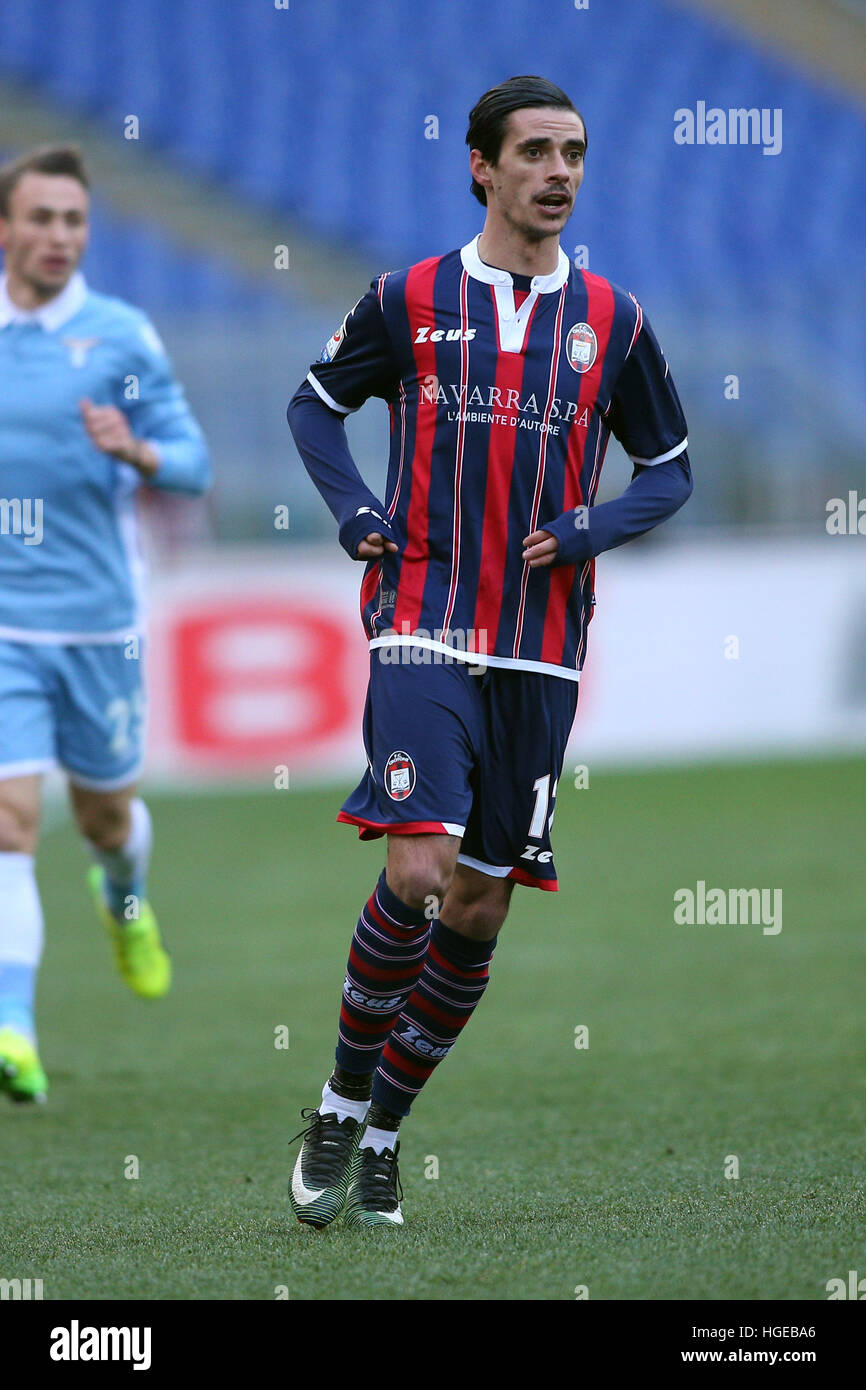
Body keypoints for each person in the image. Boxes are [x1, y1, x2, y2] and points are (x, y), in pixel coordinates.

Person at [287, 75, 692, 1228]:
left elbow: (667, 471)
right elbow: (315, 407)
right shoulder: (409, 296)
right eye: (533, 153)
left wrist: (581, 528)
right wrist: (353, 510)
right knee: (416, 872)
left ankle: (381, 1129)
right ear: (480, 166)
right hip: (420, 615)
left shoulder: (613, 322)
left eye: (571, 152)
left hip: (540, 653)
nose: (557, 172)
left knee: (476, 909)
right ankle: (333, 1096)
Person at [0, 145, 211, 1103]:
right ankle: (15, 1029)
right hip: (6, 628)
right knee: (10, 821)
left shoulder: (121, 337)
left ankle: (124, 899)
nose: (57, 236)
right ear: (5, 227)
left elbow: (196, 461)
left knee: (106, 818)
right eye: (40, 217)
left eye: (73, 220)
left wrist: (140, 449)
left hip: (98, 626)